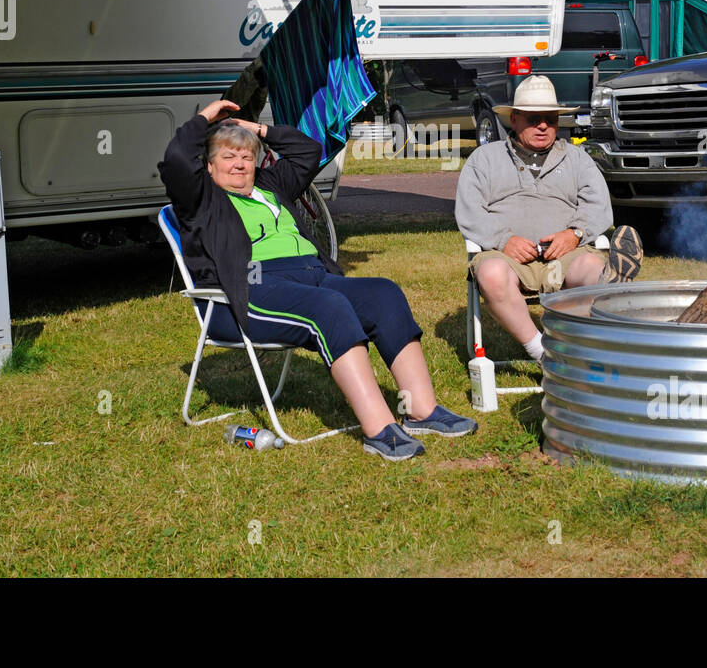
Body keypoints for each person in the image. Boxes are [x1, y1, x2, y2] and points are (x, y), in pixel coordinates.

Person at [159, 99, 476, 460]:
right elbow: (176, 161)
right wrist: (205, 118)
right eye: (228, 157)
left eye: (246, 156)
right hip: (247, 292)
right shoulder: (202, 199)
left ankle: (423, 410)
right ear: (210, 165)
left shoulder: (271, 184)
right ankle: (379, 429)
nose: (239, 164)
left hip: (314, 276)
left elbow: (308, 151)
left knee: (383, 293)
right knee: (329, 307)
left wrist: (259, 129)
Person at [455, 75, 643, 363]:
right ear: (514, 120)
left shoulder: (577, 159)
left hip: (566, 257)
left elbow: (599, 207)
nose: (543, 125)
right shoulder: (485, 159)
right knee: (490, 273)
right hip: (508, 260)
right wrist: (503, 240)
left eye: (550, 118)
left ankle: (608, 289)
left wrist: (575, 234)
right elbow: (470, 211)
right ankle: (542, 351)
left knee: (593, 268)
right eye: (533, 119)